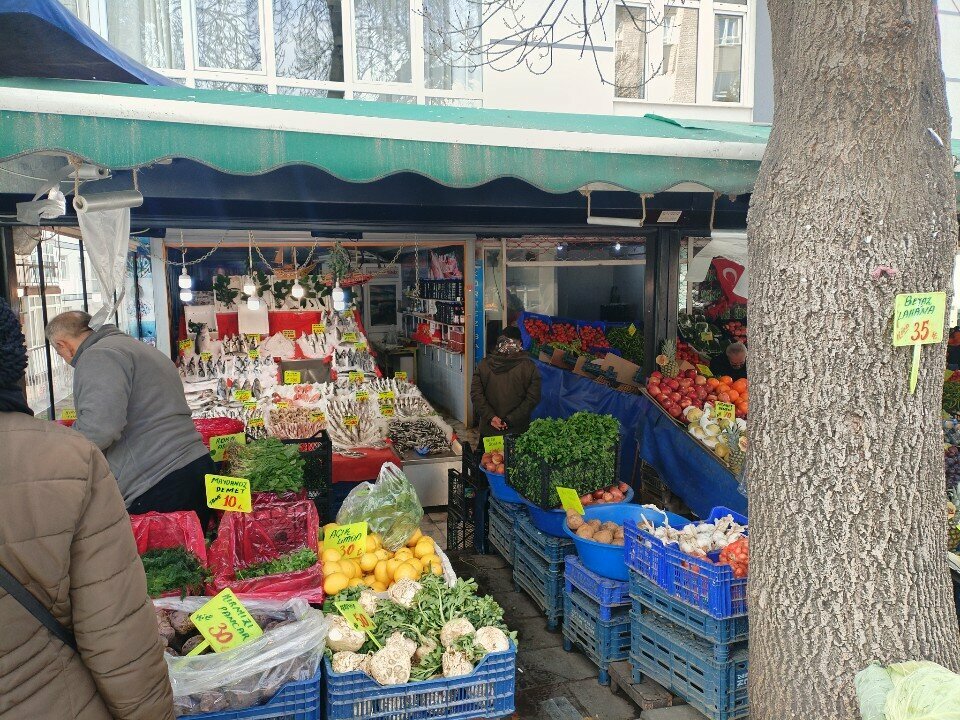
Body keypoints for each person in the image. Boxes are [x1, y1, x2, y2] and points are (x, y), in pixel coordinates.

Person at [0, 298, 175, 720]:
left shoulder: (101, 360)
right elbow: (115, 630)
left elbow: (100, 427)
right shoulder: (64, 459)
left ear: (62, 347)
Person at [45, 311, 214, 525]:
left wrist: (56, 458)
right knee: (195, 554)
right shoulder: (139, 348)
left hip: (157, 480)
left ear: (62, 345)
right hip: (196, 465)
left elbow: (99, 429)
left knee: (165, 556)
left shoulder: (98, 356)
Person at [471, 326, 541, 438]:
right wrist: (510, 420)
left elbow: (476, 395)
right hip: (517, 431)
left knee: (490, 456)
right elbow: (532, 398)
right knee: (513, 456)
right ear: (520, 343)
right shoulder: (530, 367)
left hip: (490, 430)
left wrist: (491, 417)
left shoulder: (484, 364)